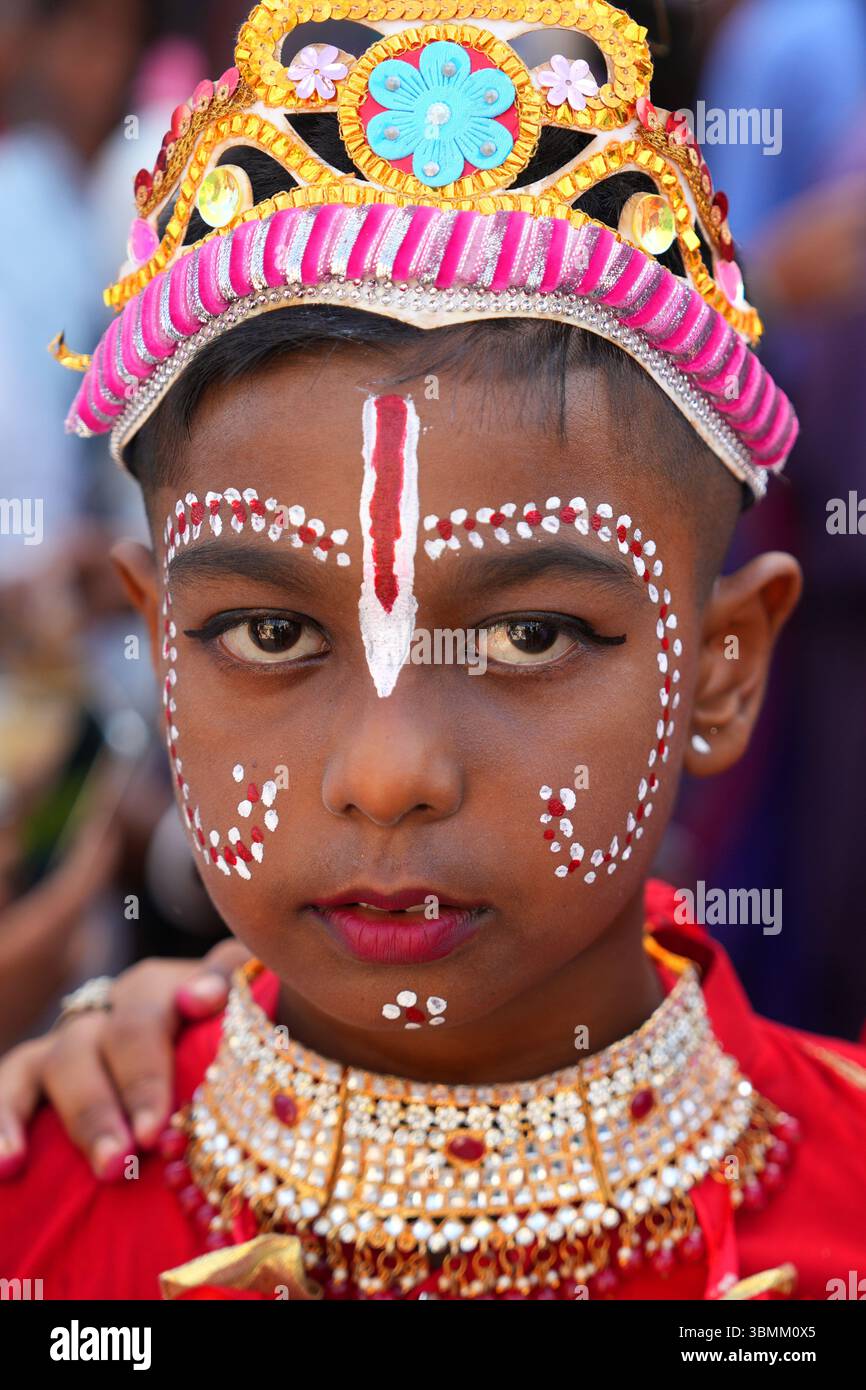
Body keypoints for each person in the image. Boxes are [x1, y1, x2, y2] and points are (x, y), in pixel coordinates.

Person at [1, 0, 864, 1301]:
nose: (390, 770)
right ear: (157, 642)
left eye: (527, 634)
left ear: (721, 667)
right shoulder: (44, 1220)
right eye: (271, 632)